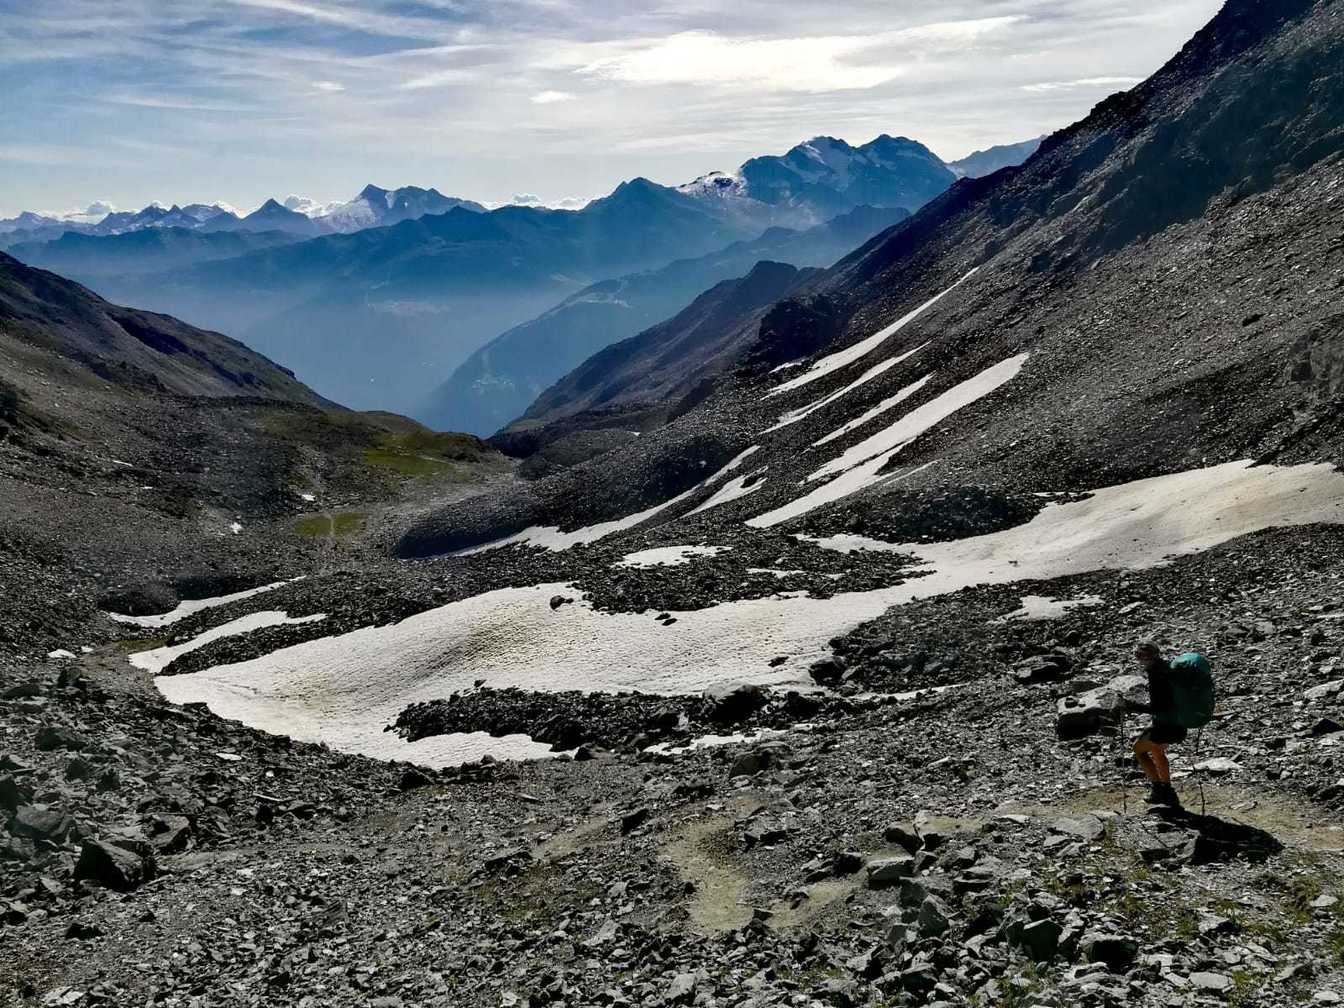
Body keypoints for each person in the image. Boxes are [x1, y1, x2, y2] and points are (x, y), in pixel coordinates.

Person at [1128, 642, 1187, 807]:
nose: (1140, 660)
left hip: (1165, 726)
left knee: (1138, 749)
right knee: (1157, 751)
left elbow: (1159, 706)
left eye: (1140, 657)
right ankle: (1167, 792)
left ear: (1147, 658)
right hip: (1177, 723)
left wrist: (1133, 706)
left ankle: (1159, 790)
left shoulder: (1156, 675)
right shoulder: (1168, 668)